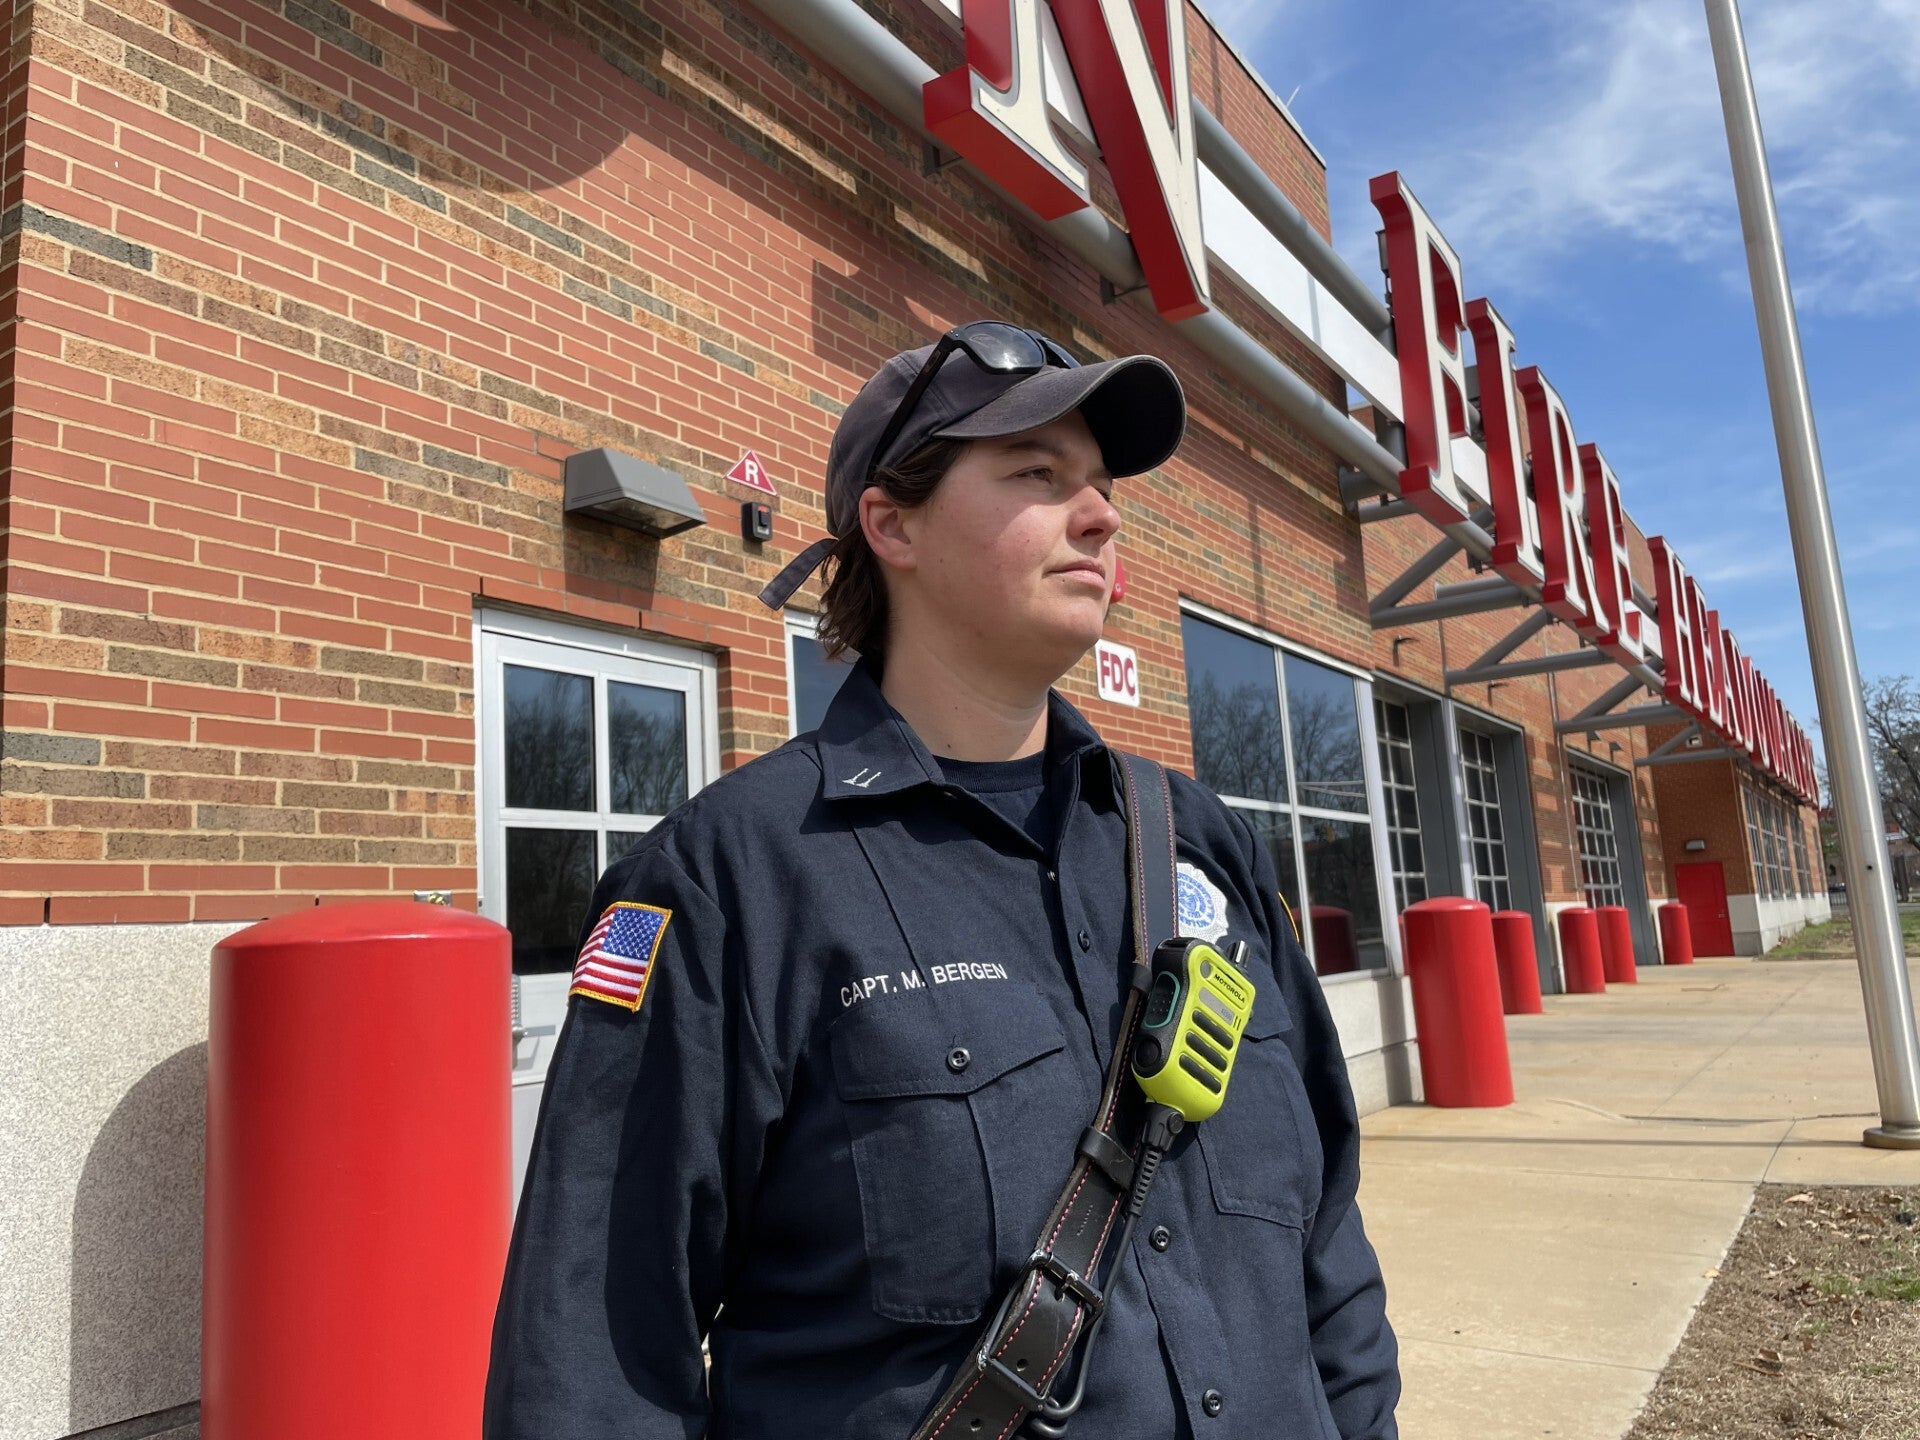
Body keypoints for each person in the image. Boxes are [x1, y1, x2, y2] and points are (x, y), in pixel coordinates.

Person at [483, 320, 1400, 1438]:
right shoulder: (732, 879)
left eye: (1104, 485)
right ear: (893, 524)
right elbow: (592, 1364)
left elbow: (1329, 1248)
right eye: (1037, 474)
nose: (1102, 516)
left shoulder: (1204, 847)